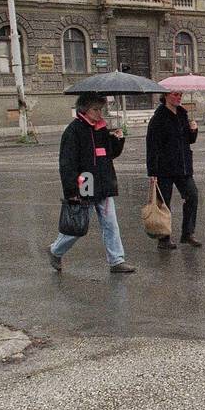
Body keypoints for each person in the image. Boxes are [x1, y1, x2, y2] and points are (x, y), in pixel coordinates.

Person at [48, 93, 136, 274]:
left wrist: (117, 141)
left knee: (110, 224)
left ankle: (116, 260)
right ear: (85, 110)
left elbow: (109, 154)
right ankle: (55, 250)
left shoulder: (101, 129)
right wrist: (72, 191)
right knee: (78, 225)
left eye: (101, 109)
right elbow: (67, 164)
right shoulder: (73, 131)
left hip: (104, 181)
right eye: (96, 110)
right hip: (85, 181)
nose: (99, 113)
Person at [145, 90, 202, 250]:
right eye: (175, 95)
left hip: (183, 166)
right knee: (164, 203)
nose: (178, 98)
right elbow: (151, 146)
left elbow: (189, 140)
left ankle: (188, 233)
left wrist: (193, 130)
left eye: (180, 95)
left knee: (192, 195)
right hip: (164, 168)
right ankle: (164, 239)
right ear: (166, 97)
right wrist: (152, 172)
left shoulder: (182, 114)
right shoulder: (158, 118)